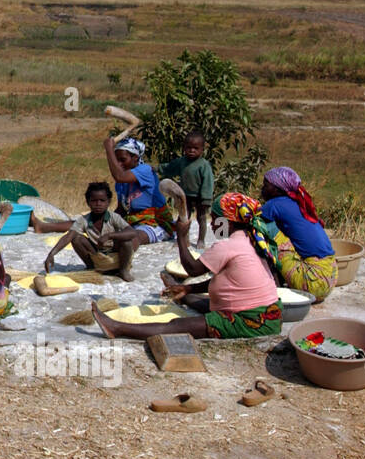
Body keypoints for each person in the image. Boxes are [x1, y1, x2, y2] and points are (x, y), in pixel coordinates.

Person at [93, 193, 281, 341]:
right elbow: (231, 280)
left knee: (177, 325)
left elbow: (192, 269)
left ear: (228, 222)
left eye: (216, 219)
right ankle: (182, 294)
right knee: (198, 302)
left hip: (251, 321)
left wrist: (182, 237)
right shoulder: (251, 240)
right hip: (267, 313)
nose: (213, 224)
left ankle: (117, 328)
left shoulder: (228, 246)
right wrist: (188, 288)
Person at [101, 136, 185, 281]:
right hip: (133, 221)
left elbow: (119, 176)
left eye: (122, 160)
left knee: (133, 236)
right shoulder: (123, 182)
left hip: (155, 223)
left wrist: (108, 149)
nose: (119, 164)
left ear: (135, 157)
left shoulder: (145, 170)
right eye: (117, 160)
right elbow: (121, 209)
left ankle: (121, 265)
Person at [259, 166, 337, 302]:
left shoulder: (275, 204)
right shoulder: (299, 203)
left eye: (266, 185)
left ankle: (272, 288)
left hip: (312, 281)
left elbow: (251, 220)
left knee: (267, 231)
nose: (262, 188)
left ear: (277, 189)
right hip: (331, 275)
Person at [42, 181, 129, 274]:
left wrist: (110, 236)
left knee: (127, 241)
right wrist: (52, 254)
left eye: (102, 200)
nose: (98, 204)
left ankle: (123, 271)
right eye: (94, 201)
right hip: (97, 253)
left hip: (114, 253)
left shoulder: (114, 217)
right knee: (76, 238)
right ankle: (92, 267)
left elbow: (132, 232)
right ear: (88, 202)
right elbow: (68, 236)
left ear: (108, 202)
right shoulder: (84, 220)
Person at [156, 132, 214, 249]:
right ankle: (182, 239)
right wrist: (157, 168)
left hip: (200, 197)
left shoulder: (204, 165)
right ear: (184, 148)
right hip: (184, 196)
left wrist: (206, 199)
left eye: (195, 148)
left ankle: (201, 240)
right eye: (189, 148)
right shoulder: (182, 161)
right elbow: (170, 167)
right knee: (183, 218)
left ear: (202, 149)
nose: (192, 150)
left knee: (201, 218)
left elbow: (208, 183)